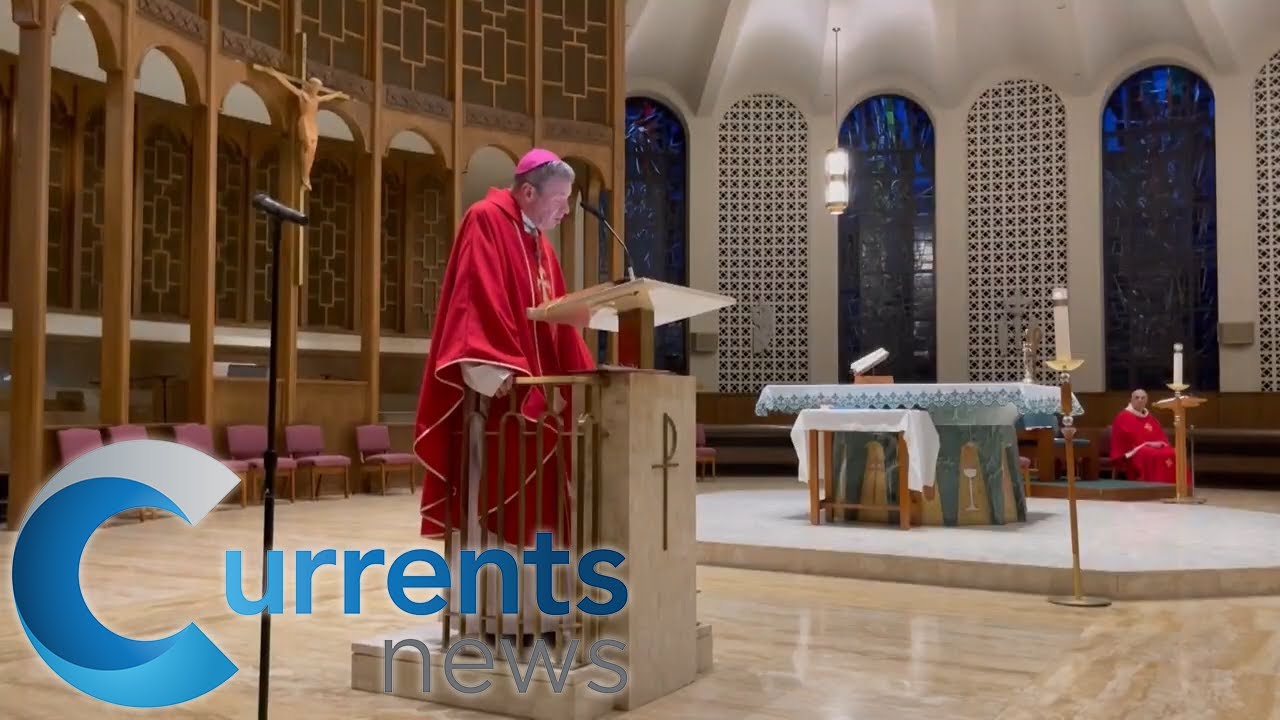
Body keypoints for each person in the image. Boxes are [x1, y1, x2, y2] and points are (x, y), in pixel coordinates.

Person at [412, 149, 595, 638]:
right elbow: (476, 306)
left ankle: (541, 615)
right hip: (501, 408)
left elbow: (556, 324)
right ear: (528, 191)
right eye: (559, 200)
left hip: (545, 408)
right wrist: (508, 379)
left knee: (545, 515)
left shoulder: (541, 246)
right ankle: (492, 617)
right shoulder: (486, 221)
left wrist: (583, 378)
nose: (564, 211)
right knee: (502, 508)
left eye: (569, 201)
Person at [1109, 389, 1186, 485]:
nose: (1140, 400)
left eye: (1143, 398)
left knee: (1174, 453)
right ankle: (1155, 486)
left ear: (1146, 400)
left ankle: (1176, 486)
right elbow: (1125, 438)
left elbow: (1160, 435)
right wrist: (1147, 444)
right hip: (1134, 451)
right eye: (1137, 398)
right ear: (1131, 400)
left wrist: (1158, 443)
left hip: (1152, 447)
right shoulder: (1123, 416)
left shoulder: (1150, 418)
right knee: (1154, 455)